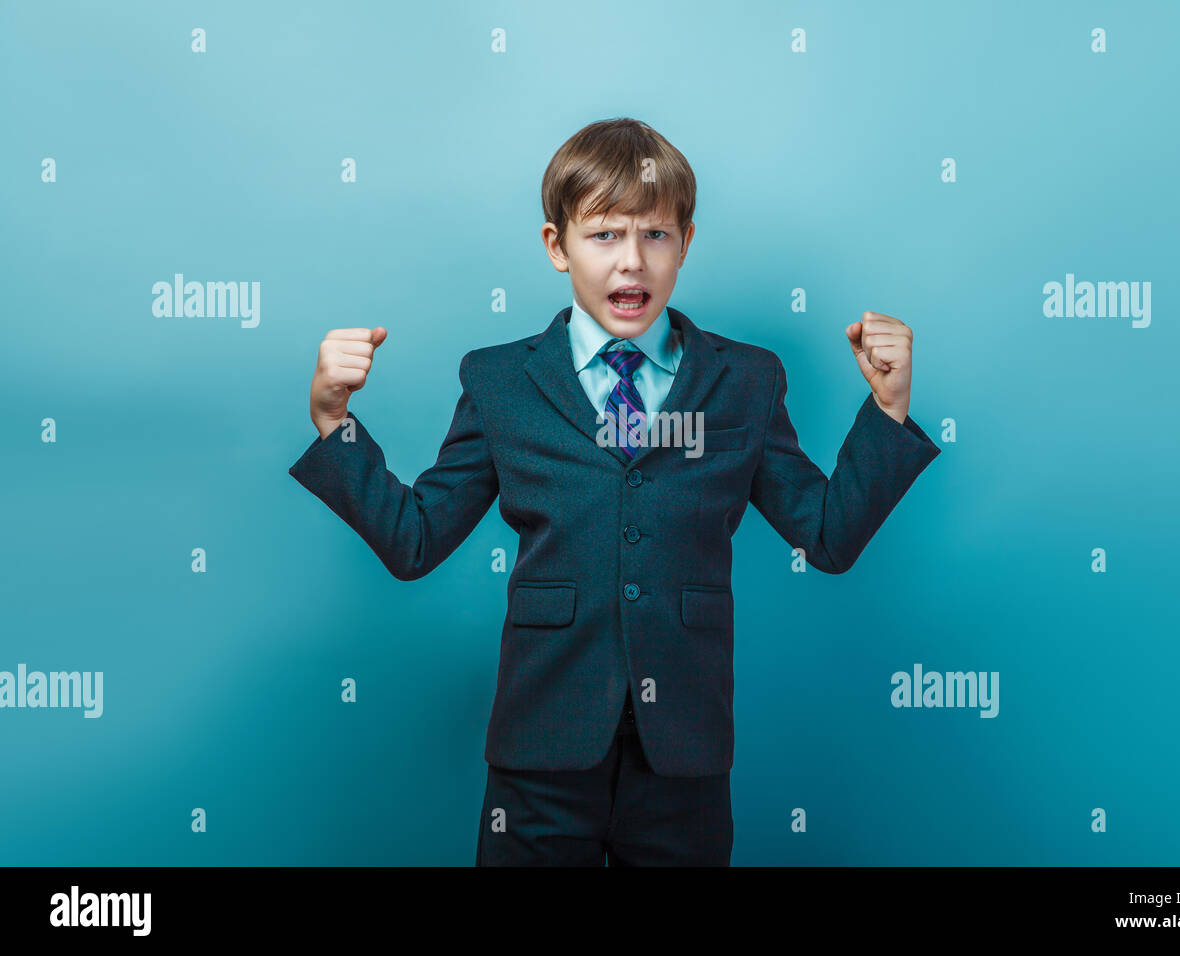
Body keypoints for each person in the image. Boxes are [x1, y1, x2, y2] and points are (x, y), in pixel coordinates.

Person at [288, 117, 941, 865]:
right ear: (556, 246)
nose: (632, 262)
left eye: (656, 235)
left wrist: (887, 411)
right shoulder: (499, 381)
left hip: (684, 754)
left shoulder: (747, 380)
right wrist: (332, 421)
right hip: (541, 748)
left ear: (686, 243)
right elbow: (415, 538)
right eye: (604, 236)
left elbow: (826, 535)